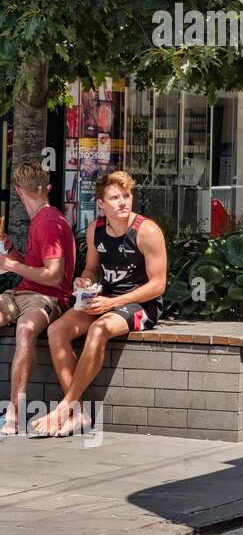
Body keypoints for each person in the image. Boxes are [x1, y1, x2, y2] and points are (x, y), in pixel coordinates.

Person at [32, 171, 167, 438]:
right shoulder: (96, 228)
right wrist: (83, 281)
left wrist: (113, 303)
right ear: (101, 204)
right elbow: (92, 268)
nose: (123, 202)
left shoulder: (147, 231)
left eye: (126, 196)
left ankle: (64, 407)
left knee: (99, 330)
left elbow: (158, 285)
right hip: (103, 299)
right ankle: (78, 412)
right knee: (56, 330)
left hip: (140, 304)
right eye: (115, 198)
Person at [0, 160, 76, 435]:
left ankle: (14, 413)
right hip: (22, 292)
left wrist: (10, 266)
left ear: (19, 191)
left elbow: (54, 277)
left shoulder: (47, 222)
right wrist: (13, 253)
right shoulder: (44, 219)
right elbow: (35, 268)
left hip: (47, 297)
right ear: (48, 188)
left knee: (25, 330)